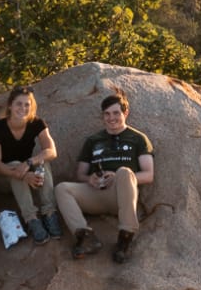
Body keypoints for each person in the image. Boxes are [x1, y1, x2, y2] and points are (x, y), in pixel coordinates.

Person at [56, 91, 154, 263]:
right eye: (107, 114)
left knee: (125, 172)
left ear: (126, 113)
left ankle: (125, 237)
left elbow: (148, 174)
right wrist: (90, 179)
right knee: (61, 188)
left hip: (122, 195)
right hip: (96, 193)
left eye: (116, 113)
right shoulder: (93, 140)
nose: (111, 118)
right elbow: (80, 174)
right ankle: (85, 236)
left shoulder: (138, 139)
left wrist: (118, 176)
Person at [0, 85, 61, 243]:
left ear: (32, 106)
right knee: (14, 164)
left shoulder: (36, 123)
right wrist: (22, 174)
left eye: (27, 104)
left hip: (26, 172)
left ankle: (49, 212)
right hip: (5, 179)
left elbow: (52, 151)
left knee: (42, 161)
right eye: (19, 104)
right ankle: (31, 219)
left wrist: (30, 162)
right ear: (10, 105)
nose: (23, 108)